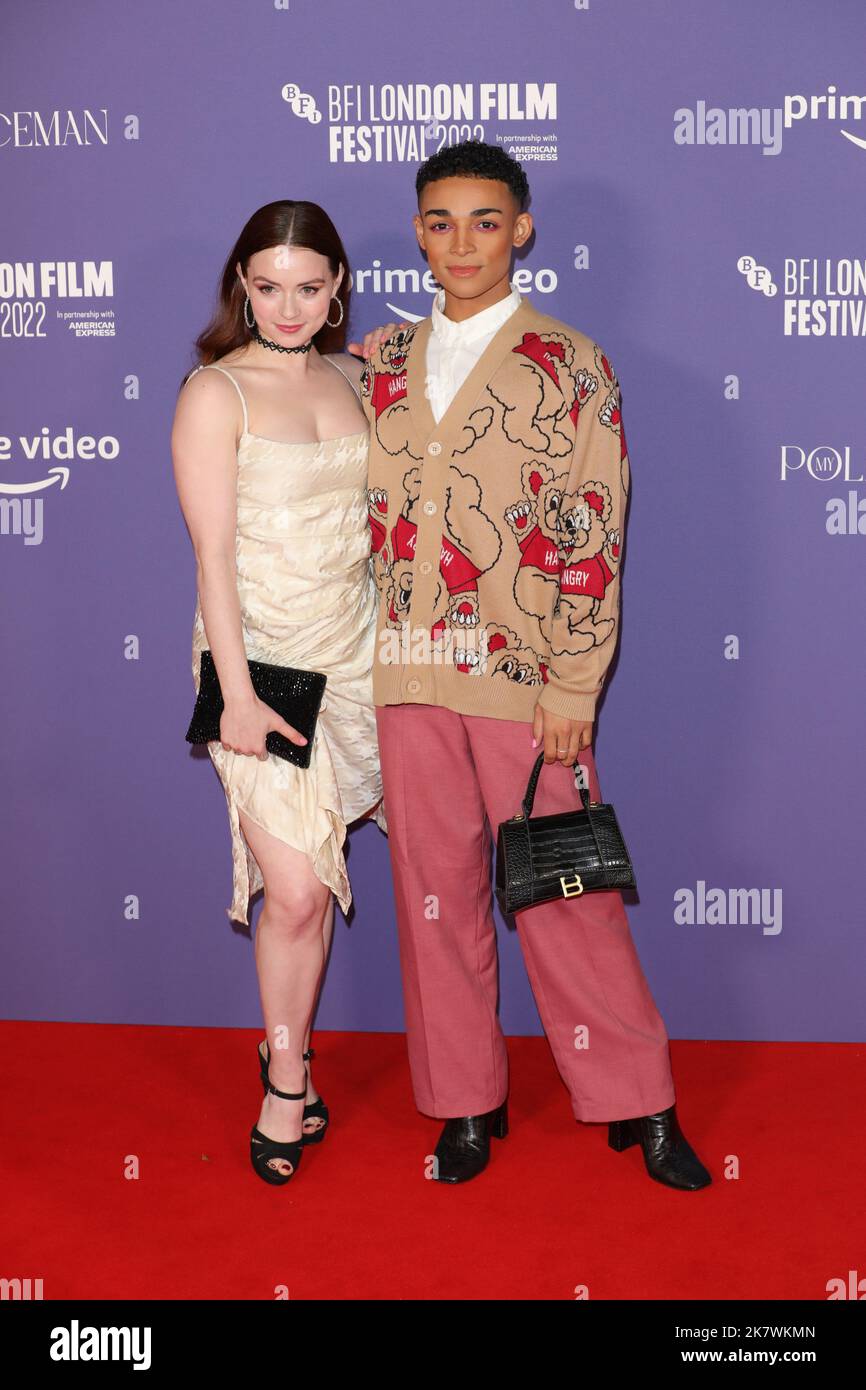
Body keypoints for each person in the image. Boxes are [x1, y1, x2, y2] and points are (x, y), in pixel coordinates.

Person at [357, 139, 712, 1190]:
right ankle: (466, 1101)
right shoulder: (375, 364)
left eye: (481, 220)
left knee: (565, 895)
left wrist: (572, 686)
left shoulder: (569, 363)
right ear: (416, 231)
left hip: (524, 683)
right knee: (435, 897)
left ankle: (637, 1101)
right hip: (407, 677)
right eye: (436, 220)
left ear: (520, 228)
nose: (458, 242)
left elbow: (590, 529)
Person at [171, 200, 398, 1187]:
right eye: (269, 286)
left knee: (318, 896)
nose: (290, 305)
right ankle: (285, 1073)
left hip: (359, 659)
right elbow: (212, 559)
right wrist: (231, 695)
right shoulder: (214, 393)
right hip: (256, 663)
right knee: (298, 892)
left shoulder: (358, 378)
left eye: (310, 286)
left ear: (337, 286)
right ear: (242, 286)